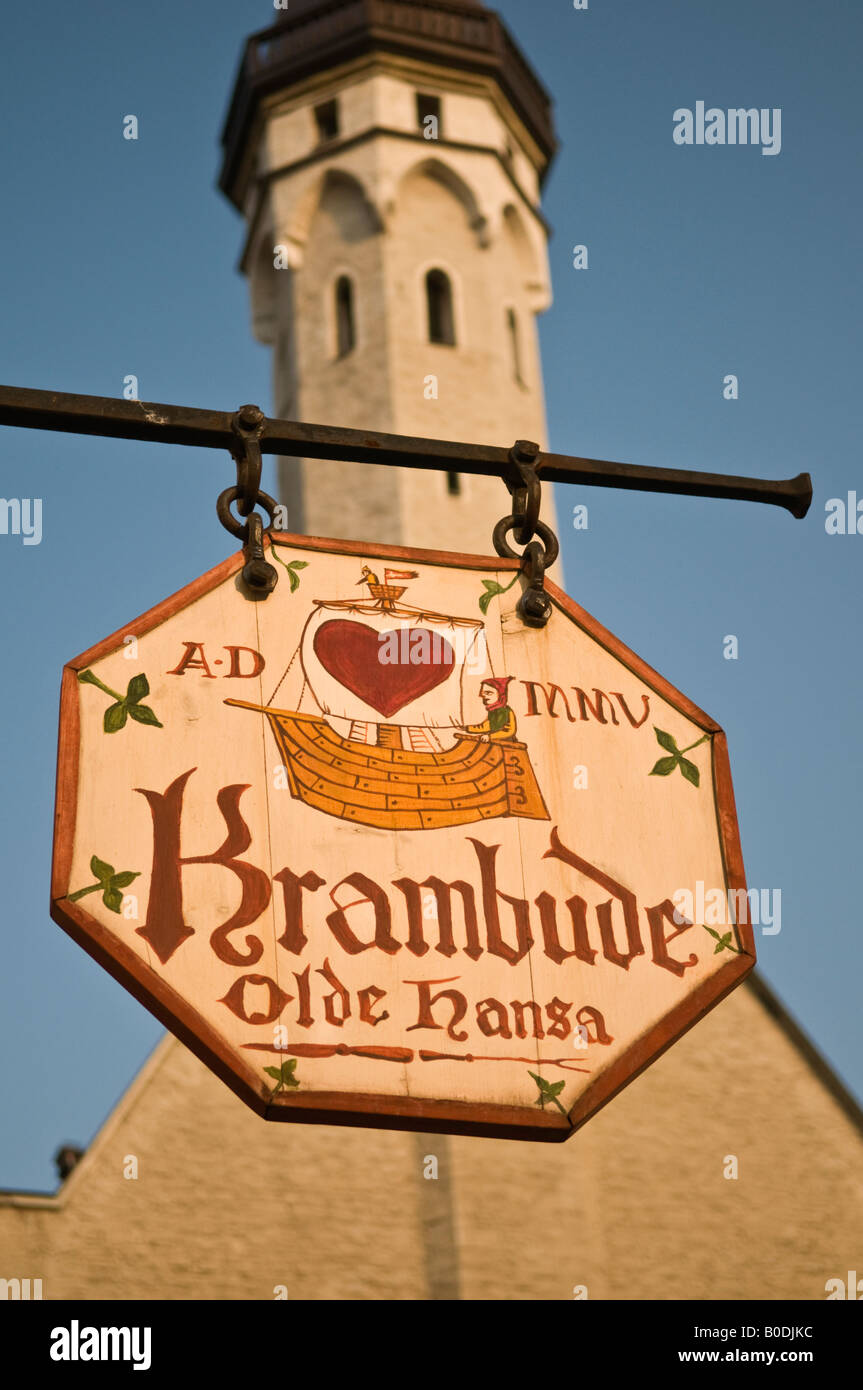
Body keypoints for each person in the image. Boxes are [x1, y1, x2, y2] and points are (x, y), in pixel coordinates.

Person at [464, 677, 517, 742]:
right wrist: (467, 728)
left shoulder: (506, 711)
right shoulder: (493, 711)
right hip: (493, 742)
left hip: (507, 744)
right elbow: (487, 726)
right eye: (483, 693)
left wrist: (490, 737)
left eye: (488, 693)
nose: (484, 696)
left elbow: (509, 731)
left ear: (500, 694)